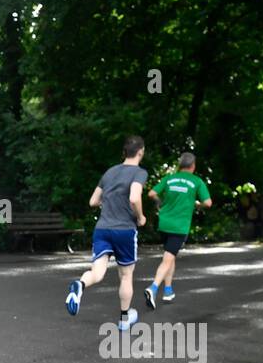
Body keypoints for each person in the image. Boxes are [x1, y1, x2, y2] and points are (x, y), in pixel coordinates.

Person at [66, 136, 148, 332]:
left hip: (102, 228)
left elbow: (93, 201)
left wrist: (109, 203)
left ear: (123, 152)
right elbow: (134, 197)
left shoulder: (110, 172)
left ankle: (80, 285)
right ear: (140, 152)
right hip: (124, 230)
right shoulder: (139, 172)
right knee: (126, 276)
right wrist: (141, 217)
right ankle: (124, 319)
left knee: (97, 272)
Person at [142, 151, 211, 308]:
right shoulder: (196, 181)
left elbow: (152, 193)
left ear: (180, 165)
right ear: (193, 166)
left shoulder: (169, 179)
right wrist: (197, 204)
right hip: (179, 227)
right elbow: (208, 202)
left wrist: (159, 203)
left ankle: (168, 290)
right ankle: (153, 288)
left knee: (169, 256)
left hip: (164, 223)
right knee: (167, 259)